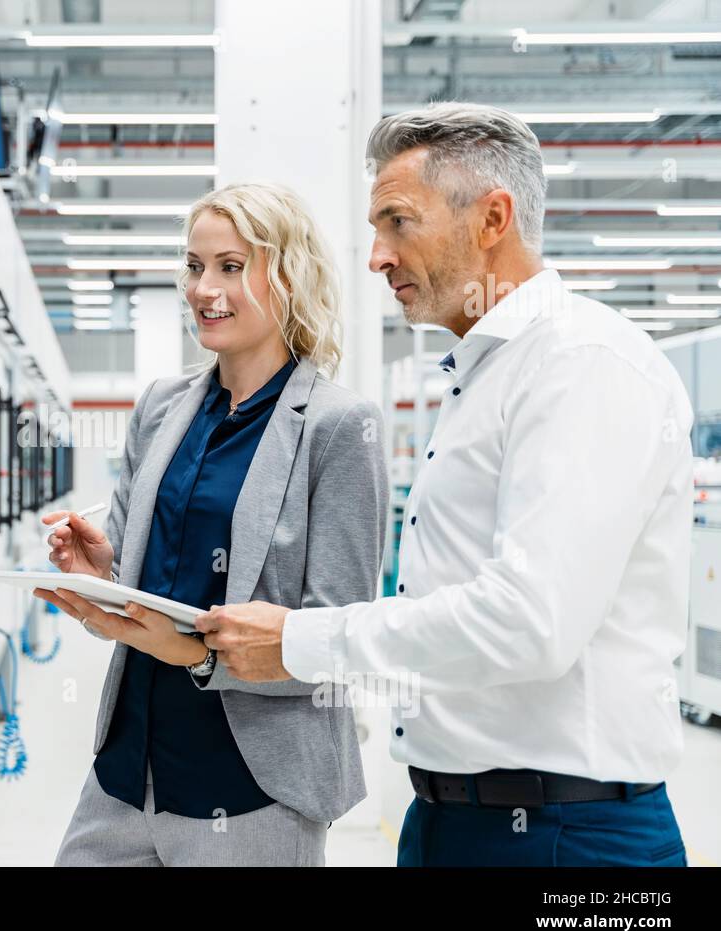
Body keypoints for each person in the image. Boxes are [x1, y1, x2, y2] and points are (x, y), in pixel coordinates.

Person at [197, 102, 693, 867]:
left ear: (492, 218)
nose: (377, 257)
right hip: (449, 819)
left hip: (566, 837)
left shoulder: (582, 365)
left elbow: (526, 622)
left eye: (398, 222)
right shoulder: (484, 375)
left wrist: (303, 641)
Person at [35, 182, 388, 866]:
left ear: (288, 275)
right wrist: (103, 577)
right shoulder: (161, 410)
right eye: (196, 267)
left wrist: (196, 655)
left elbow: (335, 639)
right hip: (125, 772)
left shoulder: (339, 427)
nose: (204, 288)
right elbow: (144, 589)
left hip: (252, 785)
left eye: (231, 266)